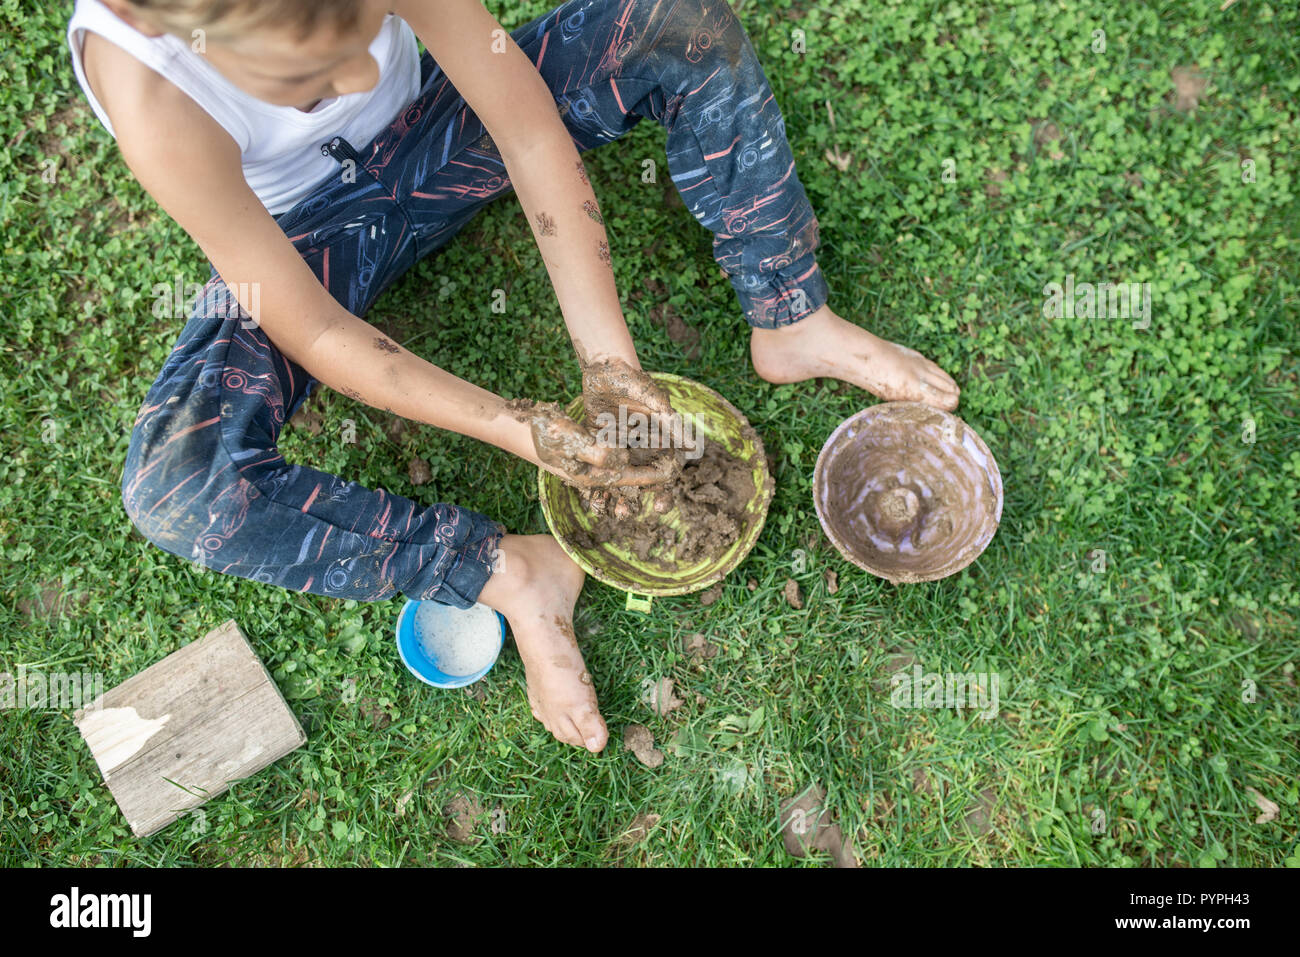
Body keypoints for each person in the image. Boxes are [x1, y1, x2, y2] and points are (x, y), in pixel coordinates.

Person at [68, 0, 960, 754]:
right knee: (178, 485)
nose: (346, 85)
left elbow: (526, 129)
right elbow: (313, 327)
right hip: (307, 244)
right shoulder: (146, 80)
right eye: (309, 82)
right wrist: (520, 427)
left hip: (439, 136)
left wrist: (608, 365)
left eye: (363, 39)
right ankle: (504, 571)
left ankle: (792, 317)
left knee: (677, 21)